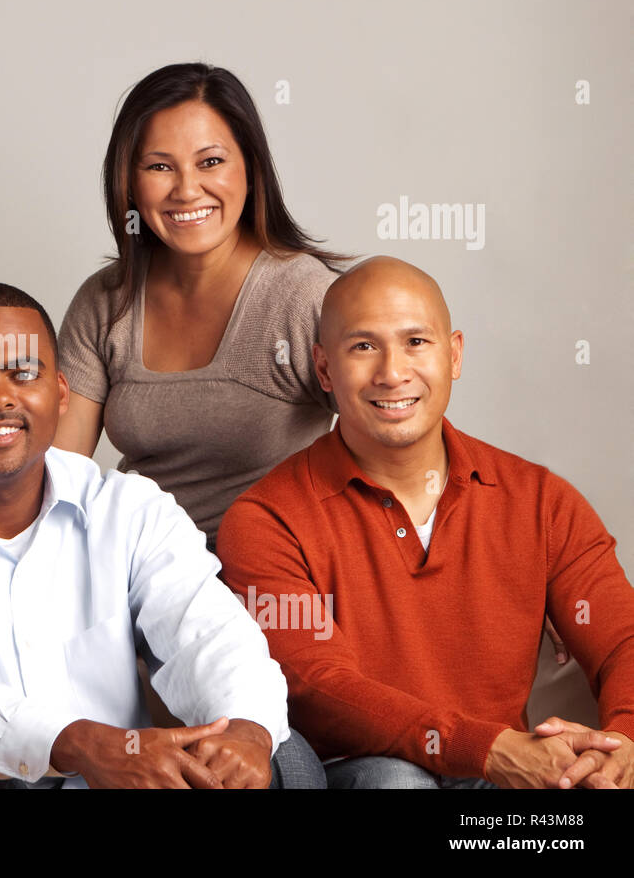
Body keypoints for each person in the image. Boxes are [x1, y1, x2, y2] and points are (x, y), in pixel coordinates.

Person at [0, 282, 325, 788]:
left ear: (60, 392)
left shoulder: (126, 507)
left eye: (22, 373)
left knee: (283, 758)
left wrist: (243, 728)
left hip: (115, 783)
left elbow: (208, 632)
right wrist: (82, 745)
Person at [216, 256, 634, 788]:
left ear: (454, 354)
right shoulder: (267, 519)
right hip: (359, 769)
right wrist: (486, 748)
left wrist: (621, 745)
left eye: (417, 342)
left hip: (503, 776)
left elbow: (623, 638)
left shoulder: (541, 500)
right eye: (363, 346)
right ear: (324, 368)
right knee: (398, 782)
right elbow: (318, 685)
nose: (393, 372)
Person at [55, 62, 348, 542]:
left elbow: (387, 447)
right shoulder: (106, 301)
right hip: (135, 574)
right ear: (129, 181)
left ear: (250, 169)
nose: (187, 189)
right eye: (159, 166)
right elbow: (59, 479)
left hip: (269, 579)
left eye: (210, 162)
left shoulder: (302, 295)